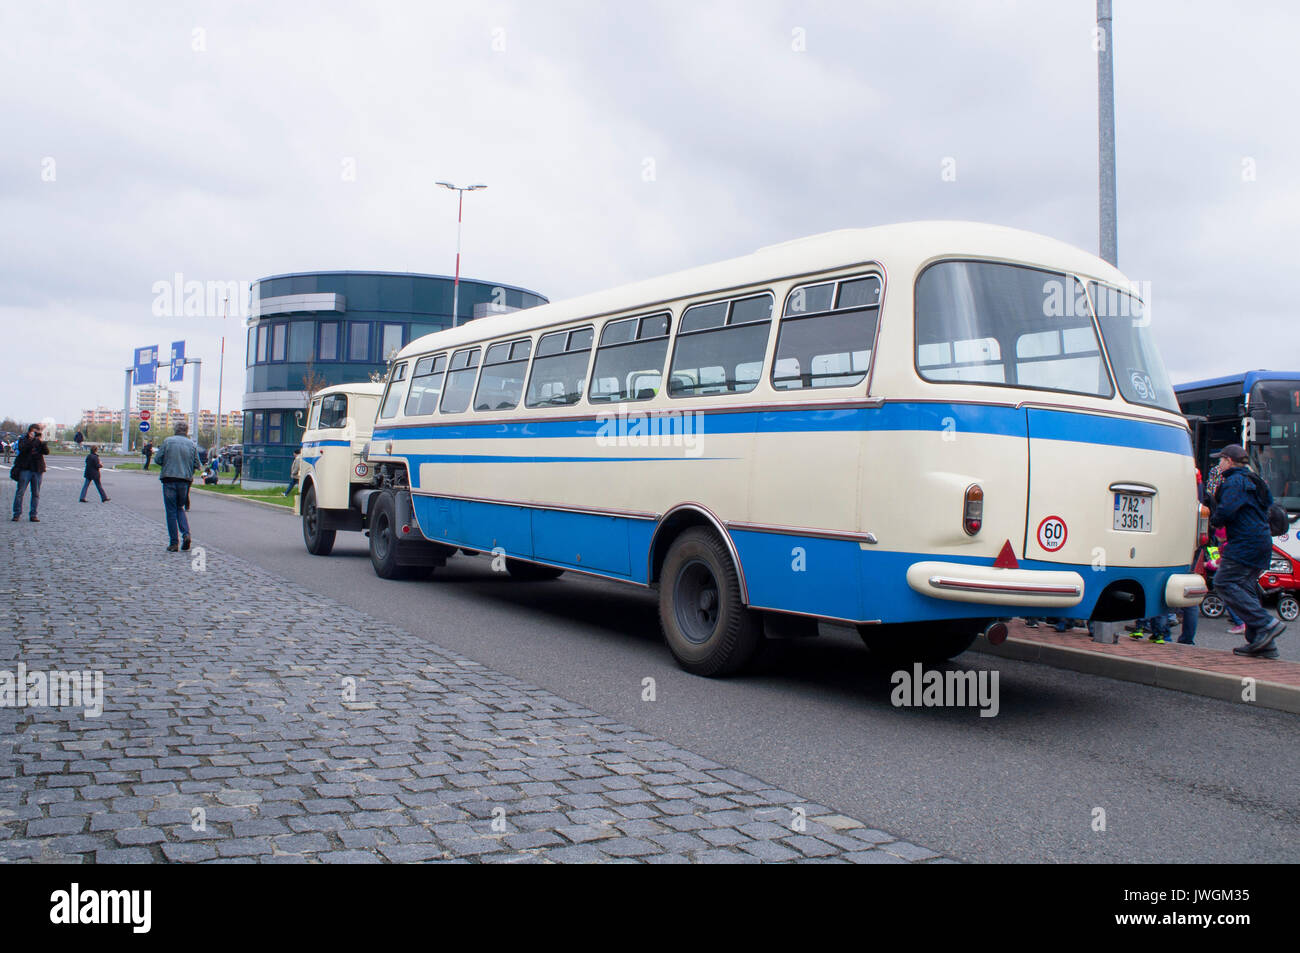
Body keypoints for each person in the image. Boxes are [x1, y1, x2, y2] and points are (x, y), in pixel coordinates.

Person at [1210, 444, 1285, 657]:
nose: (1219, 464)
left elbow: (1227, 510)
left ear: (1230, 461)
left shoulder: (1234, 481)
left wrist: (1214, 521)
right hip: (1261, 542)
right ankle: (1263, 644)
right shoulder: (1255, 480)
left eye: (1221, 460)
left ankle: (1267, 623)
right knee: (1246, 588)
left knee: (1223, 582)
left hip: (1244, 543)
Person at [154, 420, 200, 552]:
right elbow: (197, 464)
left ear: (175, 430)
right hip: (184, 480)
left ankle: (174, 542)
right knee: (180, 508)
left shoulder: (168, 441)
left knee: (171, 511)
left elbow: (158, 459)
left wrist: (167, 462)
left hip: (169, 478)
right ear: (186, 431)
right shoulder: (191, 444)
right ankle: (186, 534)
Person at [10, 424, 49, 522]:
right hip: (25, 468)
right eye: (35, 431)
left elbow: (46, 452)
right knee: (20, 492)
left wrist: (42, 442)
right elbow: (22, 449)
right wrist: (32, 440)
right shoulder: (23, 439)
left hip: (37, 469)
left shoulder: (39, 440)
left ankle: (33, 514)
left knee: (36, 493)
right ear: (30, 431)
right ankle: (17, 513)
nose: (37, 433)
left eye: (38, 431)